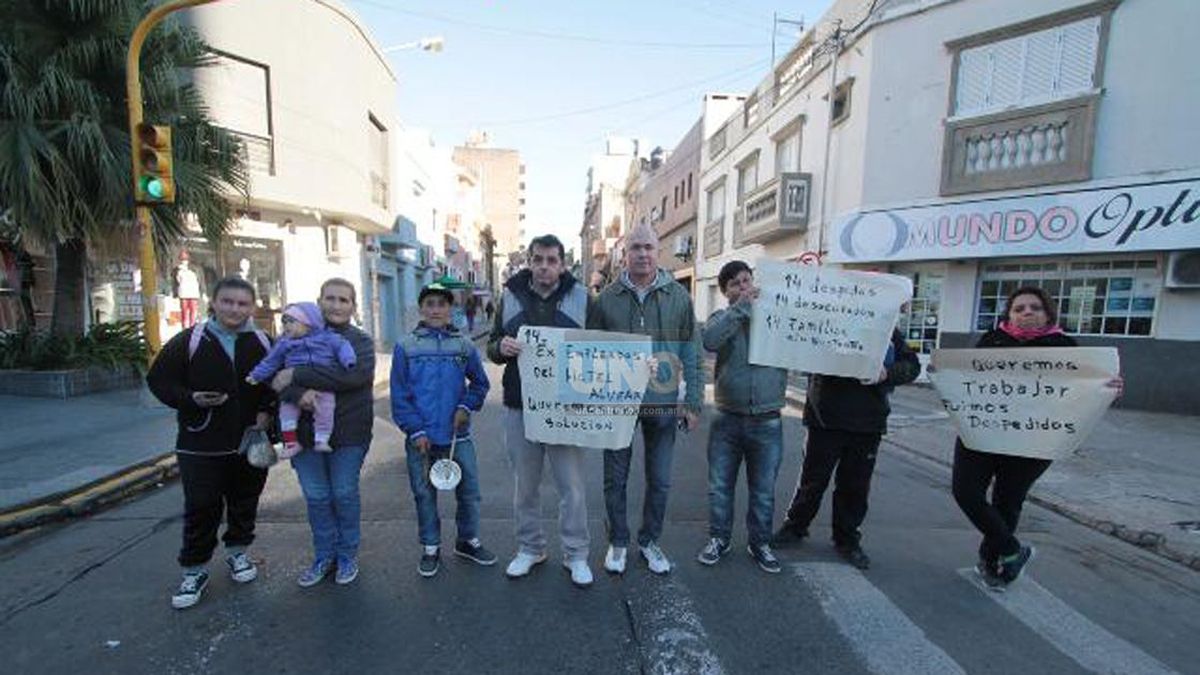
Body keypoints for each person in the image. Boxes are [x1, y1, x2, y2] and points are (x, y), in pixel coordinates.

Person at [950, 286, 1122, 590]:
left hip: (1034, 439)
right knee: (966, 492)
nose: (1027, 312)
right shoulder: (992, 341)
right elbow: (966, 379)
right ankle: (1012, 549)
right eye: (1019, 308)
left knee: (1007, 502)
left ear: (1047, 313)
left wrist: (1107, 388)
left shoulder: (1065, 347)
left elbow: (1083, 391)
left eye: (1035, 307)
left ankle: (992, 561)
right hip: (983, 431)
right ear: (1009, 315)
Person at [146, 277, 276, 610]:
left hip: (249, 441)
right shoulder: (190, 341)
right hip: (200, 442)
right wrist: (190, 399)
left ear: (252, 307)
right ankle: (194, 570)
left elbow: (276, 384)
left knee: (244, 501)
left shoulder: (263, 341)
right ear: (214, 303)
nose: (235, 309)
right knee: (202, 505)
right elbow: (159, 380)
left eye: (242, 303)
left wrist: (266, 412)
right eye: (228, 302)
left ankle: (238, 553)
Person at [587, 223, 701, 575]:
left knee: (660, 479)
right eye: (635, 247)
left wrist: (693, 401)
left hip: (662, 401)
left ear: (658, 251)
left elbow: (692, 351)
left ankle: (650, 541)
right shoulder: (607, 299)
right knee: (614, 479)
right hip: (618, 404)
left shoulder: (679, 297)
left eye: (648, 247)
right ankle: (618, 541)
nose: (642, 254)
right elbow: (591, 351)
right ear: (625, 254)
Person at [772, 316, 921, 570]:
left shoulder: (886, 329)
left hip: (868, 422)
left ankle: (847, 539)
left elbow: (912, 366)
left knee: (855, 486)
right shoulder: (827, 320)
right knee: (812, 479)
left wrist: (887, 373)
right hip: (825, 417)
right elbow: (800, 352)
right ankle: (795, 526)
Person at [487, 234, 593, 587]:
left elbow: (605, 344)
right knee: (525, 487)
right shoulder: (510, 297)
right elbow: (492, 344)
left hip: (566, 408)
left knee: (572, 488)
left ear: (562, 265)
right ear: (529, 262)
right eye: (538, 259)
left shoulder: (582, 297)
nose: (544, 266)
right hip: (520, 405)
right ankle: (530, 548)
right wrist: (500, 347)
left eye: (551, 260)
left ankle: (576, 554)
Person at [271, 279, 376, 587]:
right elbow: (276, 380)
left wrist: (298, 373)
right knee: (317, 497)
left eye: (344, 300)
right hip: (304, 435)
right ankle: (324, 556)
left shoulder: (361, 341)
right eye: (330, 298)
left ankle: (347, 555)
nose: (336, 305)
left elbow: (353, 376)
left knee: (343, 494)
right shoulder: (293, 335)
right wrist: (296, 392)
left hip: (349, 434)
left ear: (353, 307)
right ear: (319, 302)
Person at [391, 283, 493, 578]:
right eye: (430, 304)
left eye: (442, 304)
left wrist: (466, 406)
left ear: (451, 309)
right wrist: (415, 430)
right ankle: (430, 547)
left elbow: (480, 383)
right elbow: (400, 395)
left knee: (470, 492)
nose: (436, 309)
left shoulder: (464, 346)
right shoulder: (405, 346)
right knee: (424, 494)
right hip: (420, 438)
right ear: (421, 308)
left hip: (458, 437)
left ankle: (467, 540)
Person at [697, 261, 788, 574]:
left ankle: (760, 543)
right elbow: (709, 340)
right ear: (725, 292)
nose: (743, 287)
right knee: (720, 486)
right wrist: (740, 310)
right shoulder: (721, 317)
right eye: (735, 284)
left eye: (747, 280)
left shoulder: (777, 317)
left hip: (768, 417)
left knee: (763, 489)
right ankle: (719, 539)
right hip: (727, 417)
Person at [247, 302, 356, 456]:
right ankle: (291, 443)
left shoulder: (327, 338)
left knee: (326, 409)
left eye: (291, 321)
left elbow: (343, 347)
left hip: (322, 383)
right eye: (284, 322)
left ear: (308, 322)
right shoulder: (284, 343)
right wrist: (256, 375)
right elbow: (271, 361)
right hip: (295, 386)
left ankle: (322, 439)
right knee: (286, 412)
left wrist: (348, 360)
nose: (286, 326)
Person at [176, 254, 201, 328]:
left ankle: (192, 327)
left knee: (193, 311)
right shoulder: (177, 270)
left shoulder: (196, 269)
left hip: (193, 293)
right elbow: (176, 281)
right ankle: (184, 328)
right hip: (183, 293)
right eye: (182, 259)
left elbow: (200, 280)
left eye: (185, 259)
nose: (184, 261)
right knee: (184, 311)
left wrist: (202, 291)